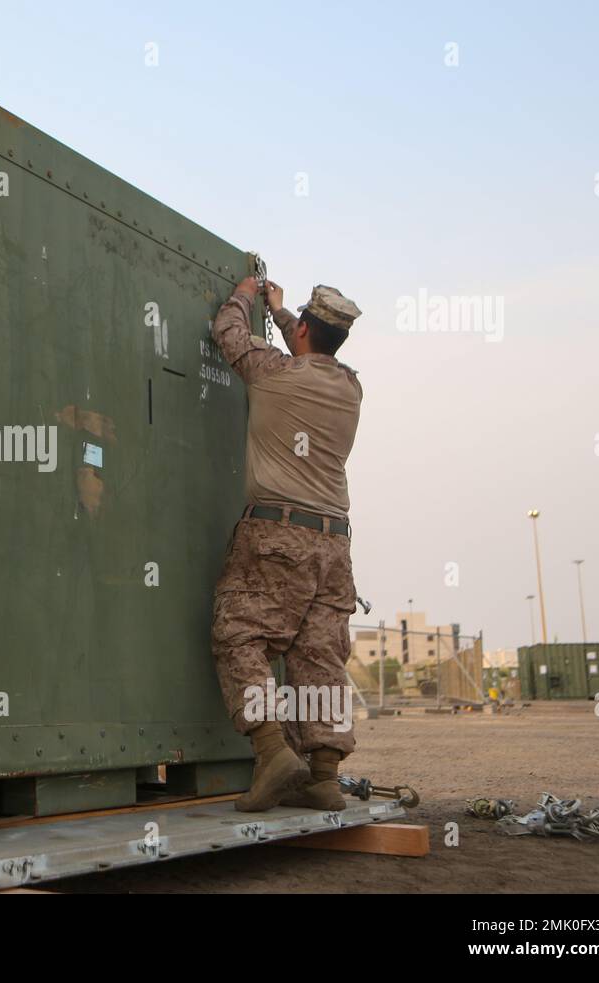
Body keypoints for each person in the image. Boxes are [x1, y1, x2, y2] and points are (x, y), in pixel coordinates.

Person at [209, 276, 364, 811]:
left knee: (240, 636)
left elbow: (228, 333)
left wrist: (247, 294)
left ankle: (271, 749)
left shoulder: (272, 372)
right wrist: (283, 315)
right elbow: (310, 352)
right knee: (319, 657)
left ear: (302, 329)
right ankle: (323, 776)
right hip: (334, 543)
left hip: (279, 532)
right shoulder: (350, 386)